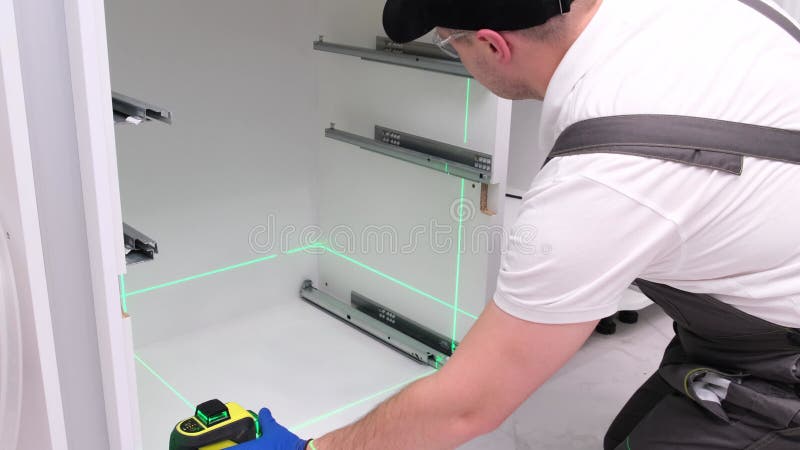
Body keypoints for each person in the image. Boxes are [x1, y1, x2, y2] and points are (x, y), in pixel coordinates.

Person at [235, 0, 800, 448]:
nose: (453, 54)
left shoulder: (603, 180)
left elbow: (467, 406)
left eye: (448, 43)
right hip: (754, 302)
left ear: (491, 44)